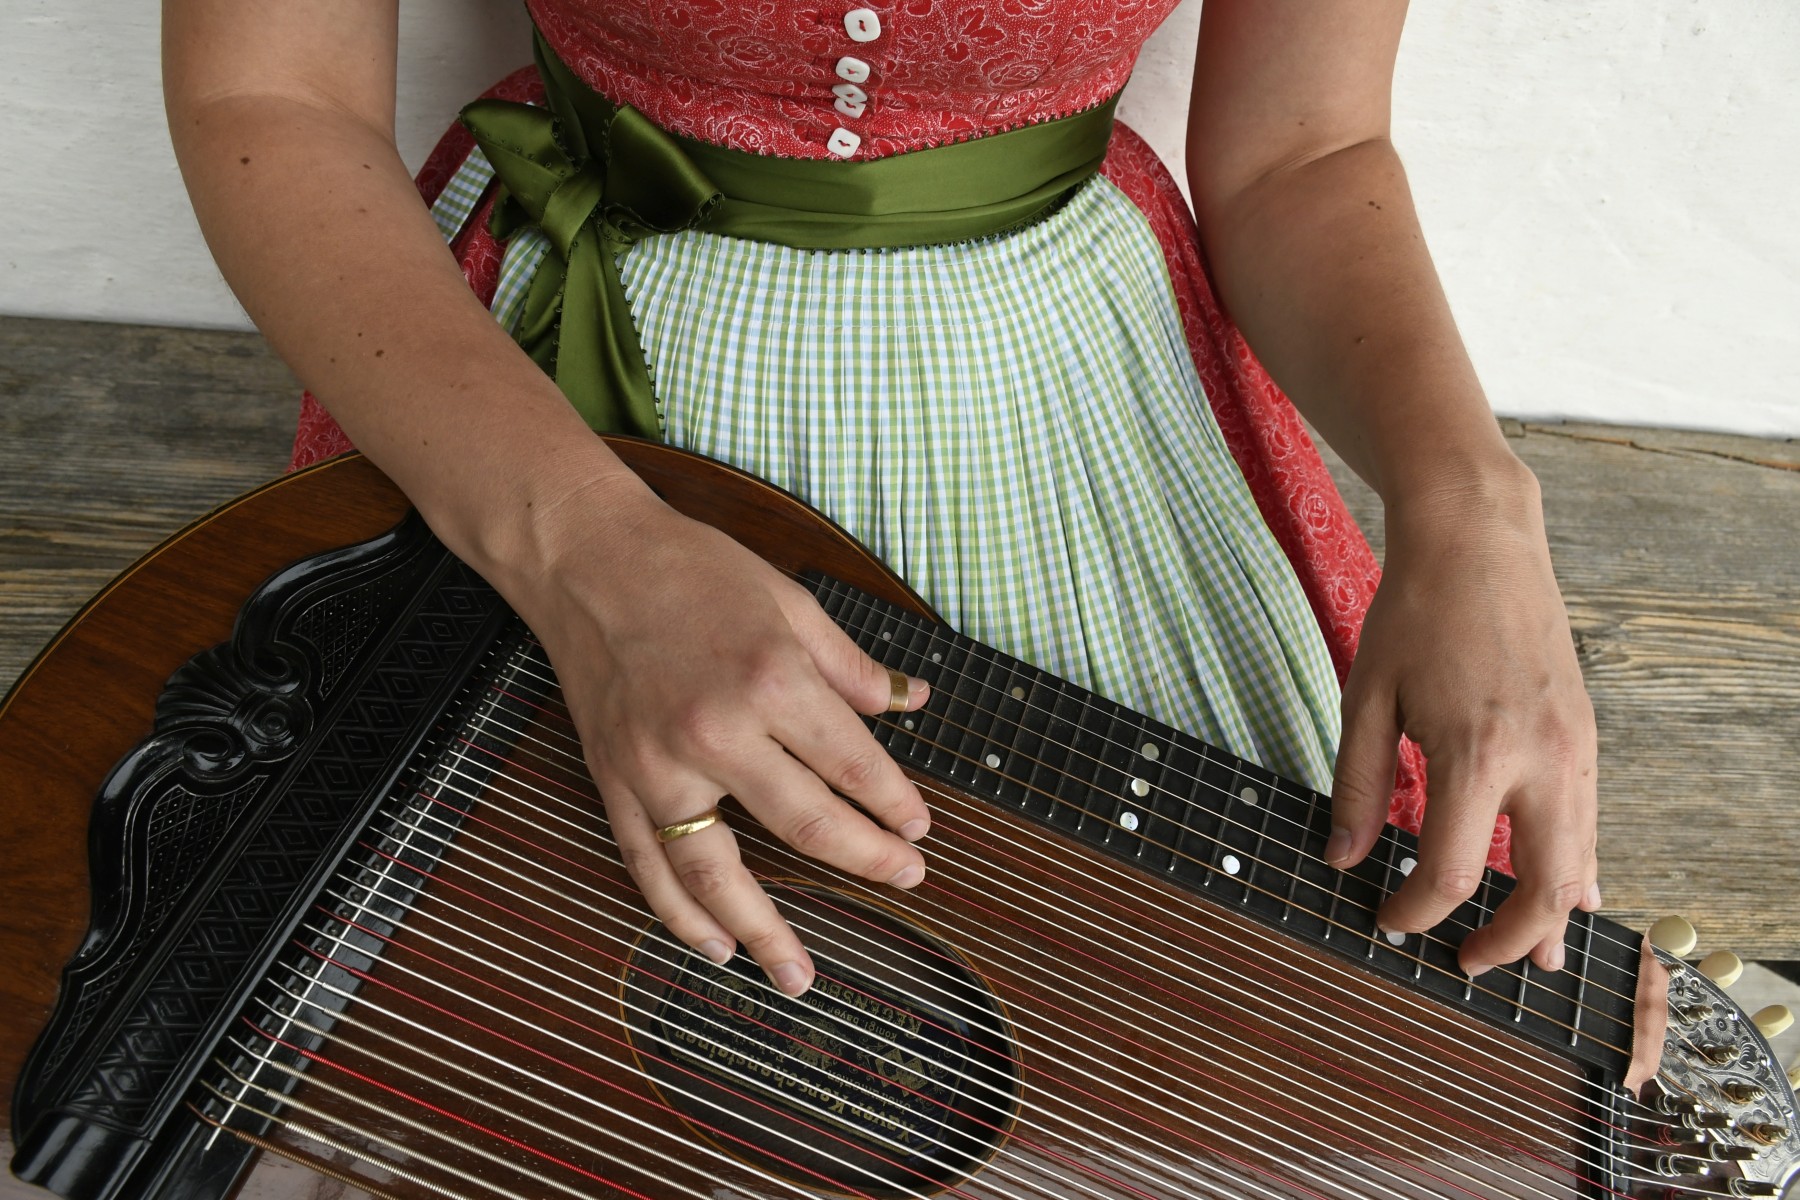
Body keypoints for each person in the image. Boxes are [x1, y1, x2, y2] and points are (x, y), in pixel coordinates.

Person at [163, 0, 1600, 999]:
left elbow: (1306, 147)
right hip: (558, 377)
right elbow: (269, 96)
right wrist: (582, 551)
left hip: (1068, 361)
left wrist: (1472, 501)